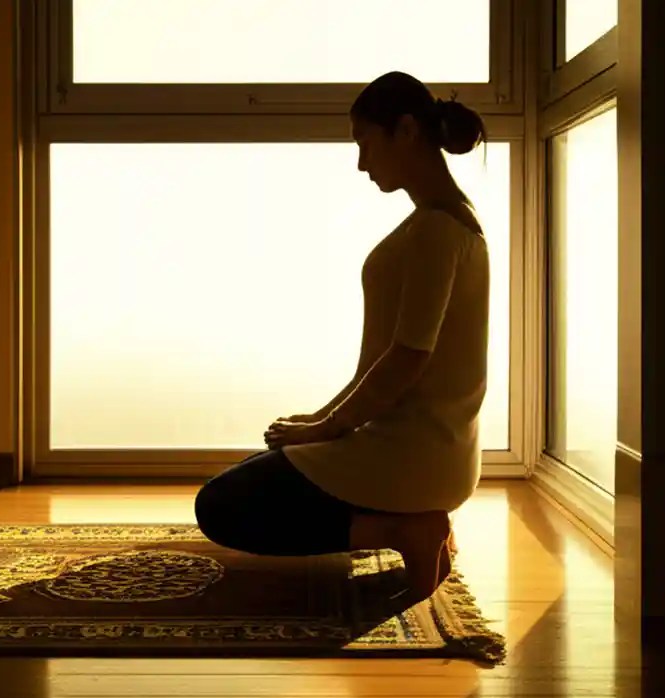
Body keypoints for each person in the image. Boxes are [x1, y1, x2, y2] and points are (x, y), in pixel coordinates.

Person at [194, 70, 490, 604]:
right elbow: (384, 361)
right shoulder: (448, 222)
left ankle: (406, 529)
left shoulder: (436, 230)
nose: (361, 163)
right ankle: (412, 519)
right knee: (249, 472)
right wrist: (320, 421)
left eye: (365, 142)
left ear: (405, 131)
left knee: (219, 506)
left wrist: (329, 428)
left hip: (412, 453)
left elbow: (406, 359)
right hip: (427, 449)